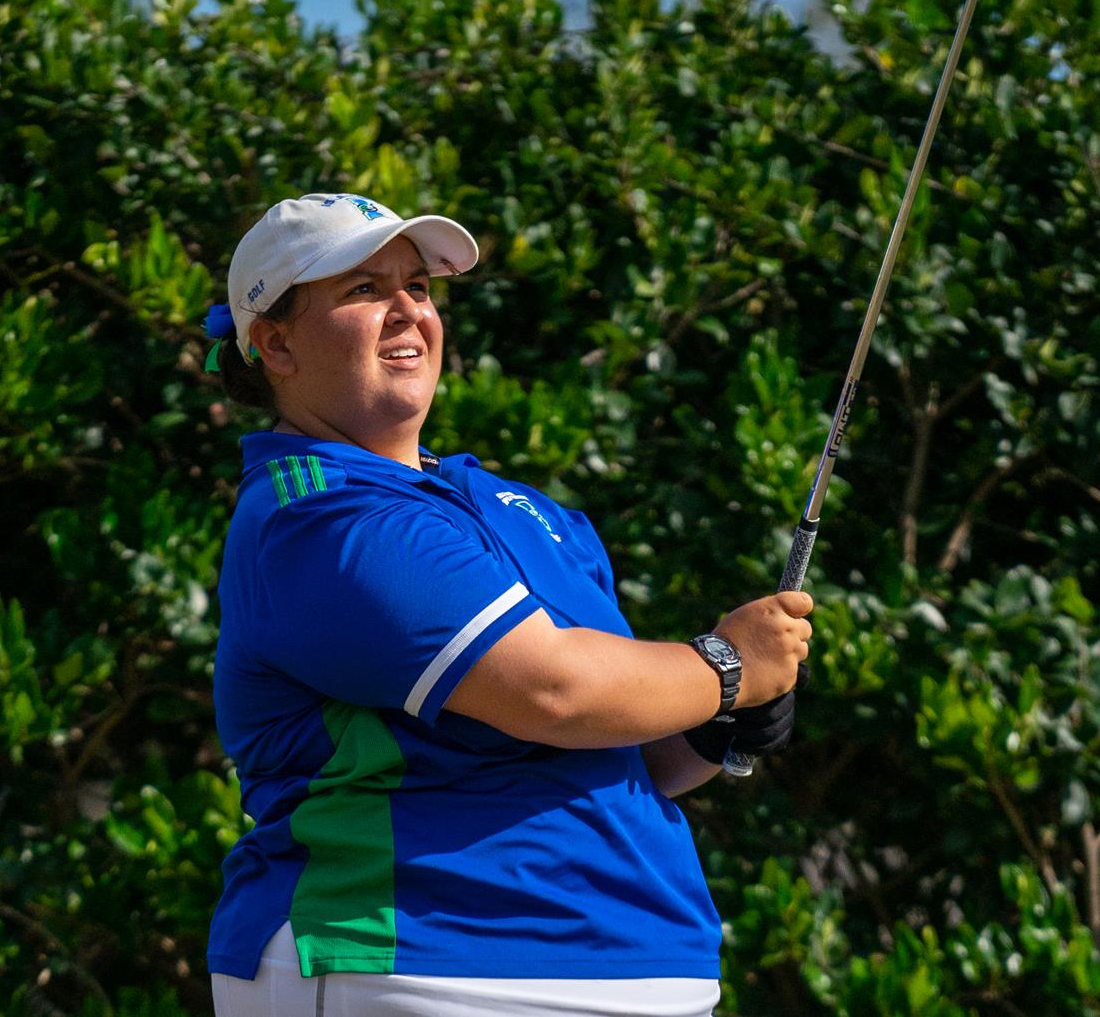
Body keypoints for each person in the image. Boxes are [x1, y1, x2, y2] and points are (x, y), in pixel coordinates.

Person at [204, 192, 814, 1016]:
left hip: (635, 962)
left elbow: (613, 746)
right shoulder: (320, 516)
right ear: (274, 342)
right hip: (419, 963)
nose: (406, 312)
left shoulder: (520, 508)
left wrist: (709, 726)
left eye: (417, 287)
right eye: (361, 290)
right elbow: (555, 693)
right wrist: (727, 666)